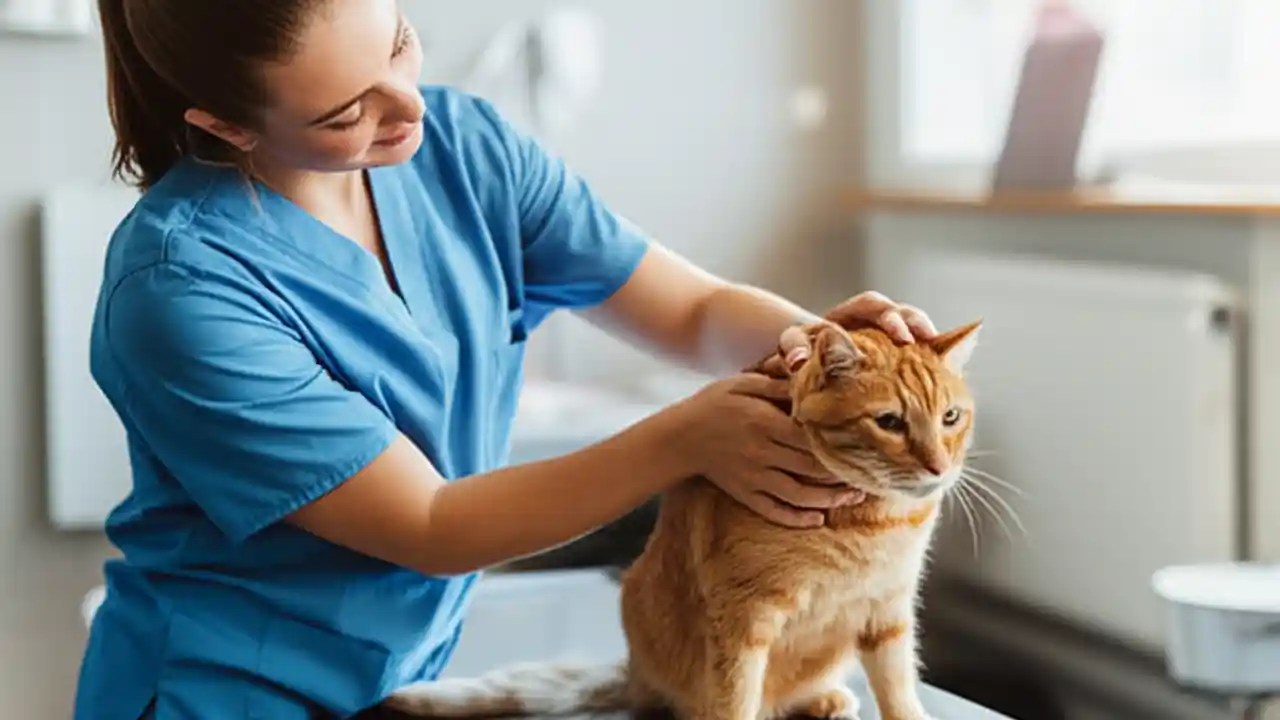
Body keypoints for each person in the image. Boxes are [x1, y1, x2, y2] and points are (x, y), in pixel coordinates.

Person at [76, 1, 938, 718]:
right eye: (346, 114)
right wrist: (684, 441)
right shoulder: (180, 291)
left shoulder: (466, 148)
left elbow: (693, 310)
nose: (407, 106)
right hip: (224, 691)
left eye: (399, 43)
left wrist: (830, 353)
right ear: (224, 123)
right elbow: (432, 525)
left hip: (398, 680)